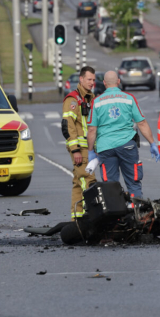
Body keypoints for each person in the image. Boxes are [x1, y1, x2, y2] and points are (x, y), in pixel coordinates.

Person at [87, 70, 157, 198]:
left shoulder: (96, 102)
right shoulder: (129, 99)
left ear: (104, 83)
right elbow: (141, 123)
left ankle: (115, 215)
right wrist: (152, 143)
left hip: (105, 147)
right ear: (119, 82)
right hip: (127, 145)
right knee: (133, 182)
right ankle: (137, 212)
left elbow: (92, 129)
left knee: (110, 185)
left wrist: (91, 150)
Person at [61, 66, 96, 219]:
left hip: (87, 148)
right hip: (80, 148)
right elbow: (67, 126)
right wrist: (75, 150)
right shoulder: (73, 100)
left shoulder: (90, 97)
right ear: (81, 79)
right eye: (89, 79)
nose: (92, 82)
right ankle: (91, 215)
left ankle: (77, 217)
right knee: (88, 180)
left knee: (78, 182)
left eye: (94, 80)